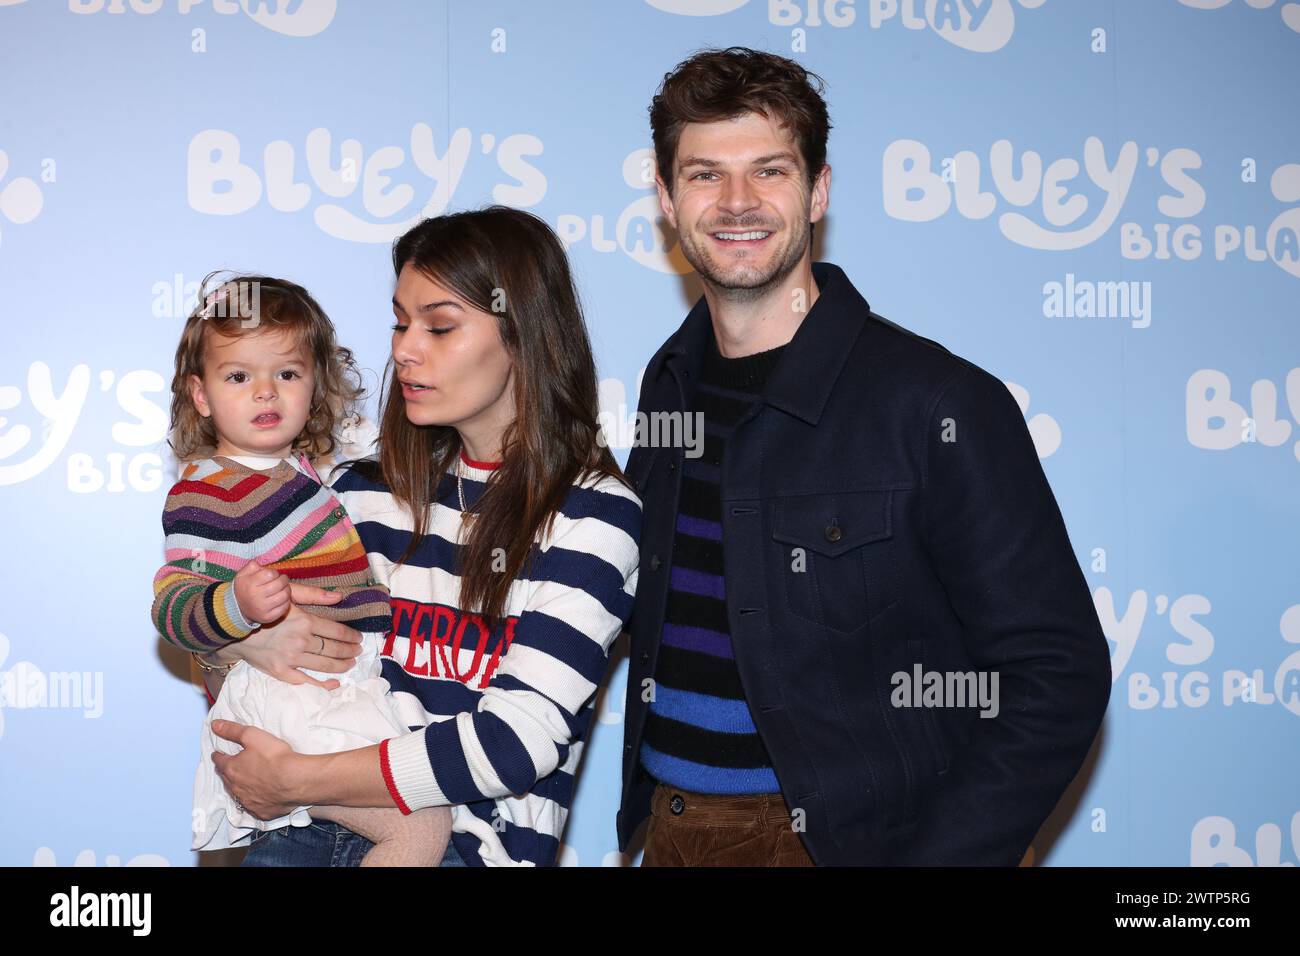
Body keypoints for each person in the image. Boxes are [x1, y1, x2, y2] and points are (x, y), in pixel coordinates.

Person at [616, 47, 1112, 866]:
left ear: (818, 191)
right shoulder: (667, 384)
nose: (737, 202)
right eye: (705, 175)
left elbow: (1056, 672)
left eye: (769, 171)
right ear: (667, 199)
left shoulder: (937, 404)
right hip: (674, 834)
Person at [196, 207, 642, 867]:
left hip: (468, 852)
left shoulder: (592, 517)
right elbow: (244, 679)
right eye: (402, 322)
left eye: (439, 326)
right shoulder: (355, 493)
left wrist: (299, 779)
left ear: (525, 336)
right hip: (300, 836)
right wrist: (239, 644)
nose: (405, 348)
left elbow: (514, 744)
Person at [152, 274, 452, 865]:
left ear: (315, 386)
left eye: (286, 374)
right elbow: (171, 606)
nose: (266, 393)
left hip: (339, 692)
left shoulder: (304, 473)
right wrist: (237, 607)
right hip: (291, 702)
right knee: (421, 823)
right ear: (202, 394)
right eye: (239, 376)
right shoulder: (204, 491)